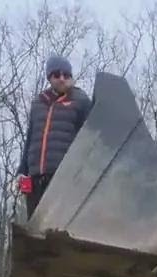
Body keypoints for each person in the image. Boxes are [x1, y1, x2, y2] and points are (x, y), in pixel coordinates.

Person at [18, 54, 93, 216]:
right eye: (57, 75)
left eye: (66, 75)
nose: (62, 79)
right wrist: (22, 171)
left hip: (62, 176)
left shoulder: (80, 101)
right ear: (49, 77)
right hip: (35, 175)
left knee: (57, 223)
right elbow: (31, 137)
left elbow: (89, 139)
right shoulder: (38, 102)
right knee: (34, 225)